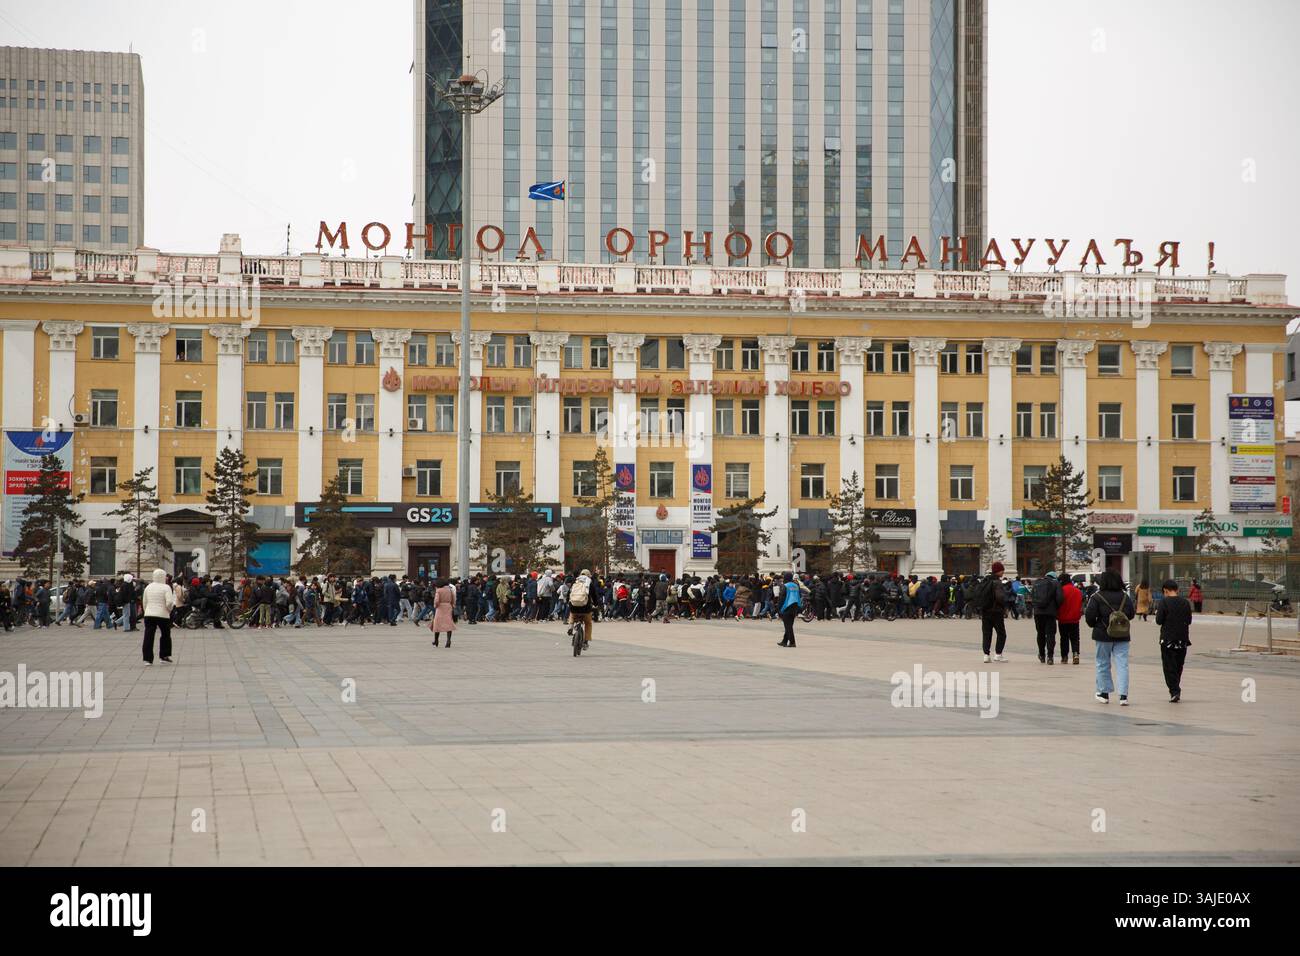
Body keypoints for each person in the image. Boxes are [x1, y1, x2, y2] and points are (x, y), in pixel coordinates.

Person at [1085, 570, 1136, 705]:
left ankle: (1104, 693)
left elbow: (1089, 616)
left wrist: (1096, 625)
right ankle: (1123, 696)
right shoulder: (1125, 597)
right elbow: (1131, 614)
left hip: (1103, 635)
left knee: (1103, 663)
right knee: (1122, 664)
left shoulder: (1096, 597)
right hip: (1123, 635)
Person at [1155, 579, 1192, 702]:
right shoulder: (1185, 603)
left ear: (1165, 590)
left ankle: (1174, 691)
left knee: (1168, 666)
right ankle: (1175, 689)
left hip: (1168, 639)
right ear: (1177, 590)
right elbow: (1189, 620)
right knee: (1178, 665)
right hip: (1182, 639)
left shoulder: (1164, 602)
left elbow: (1159, 620)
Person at [974, 563, 1009, 662]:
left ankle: (986, 655)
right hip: (996, 611)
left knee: (986, 633)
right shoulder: (997, 582)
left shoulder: (985, 580)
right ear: (998, 571)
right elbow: (1000, 597)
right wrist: (1004, 607)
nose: (1003, 572)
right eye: (1002, 570)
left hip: (985, 611)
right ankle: (998, 654)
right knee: (1001, 633)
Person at [141, 568, 176, 665]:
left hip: (149, 613)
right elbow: (169, 602)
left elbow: (144, 601)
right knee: (165, 635)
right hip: (162, 614)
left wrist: (146, 611)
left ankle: (147, 659)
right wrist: (169, 610)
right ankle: (164, 656)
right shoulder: (166, 587)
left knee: (148, 636)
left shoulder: (148, 587)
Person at [1031, 571, 1061, 664]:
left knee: (1040, 634)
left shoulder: (1037, 583)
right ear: (1054, 577)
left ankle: (1042, 655)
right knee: (1050, 634)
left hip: (1038, 613)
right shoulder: (1056, 583)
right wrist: (1055, 608)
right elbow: (1060, 598)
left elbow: (1032, 597)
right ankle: (1050, 657)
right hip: (1050, 613)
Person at [1056, 573, 1084, 665]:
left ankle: (1064, 657)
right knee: (1075, 638)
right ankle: (1076, 654)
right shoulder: (1077, 591)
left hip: (1063, 619)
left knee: (1064, 638)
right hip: (1074, 619)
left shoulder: (1061, 591)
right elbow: (1080, 604)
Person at [568, 569, 594, 649]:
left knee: (572, 614)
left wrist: (567, 602)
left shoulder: (575, 581)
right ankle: (585, 641)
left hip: (574, 606)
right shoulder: (589, 582)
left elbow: (569, 593)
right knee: (588, 623)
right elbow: (594, 595)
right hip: (585, 608)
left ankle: (571, 626)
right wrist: (596, 604)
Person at [777, 571, 803, 648]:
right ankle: (784, 641)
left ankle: (792, 642)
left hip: (786, 607)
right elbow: (799, 596)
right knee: (789, 625)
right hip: (795, 607)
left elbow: (781, 598)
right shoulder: (796, 585)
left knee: (788, 626)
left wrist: (779, 608)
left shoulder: (785, 586)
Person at [429, 577, 456, 647]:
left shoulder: (439, 590)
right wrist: (452, 605)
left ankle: (436, 640)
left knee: (437, 624)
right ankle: (448, 640)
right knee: (449, 624)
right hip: (448, 606)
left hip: (440, 607)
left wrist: (435, 605)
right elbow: (453, 598)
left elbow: (437, 600)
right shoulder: (450, 590)